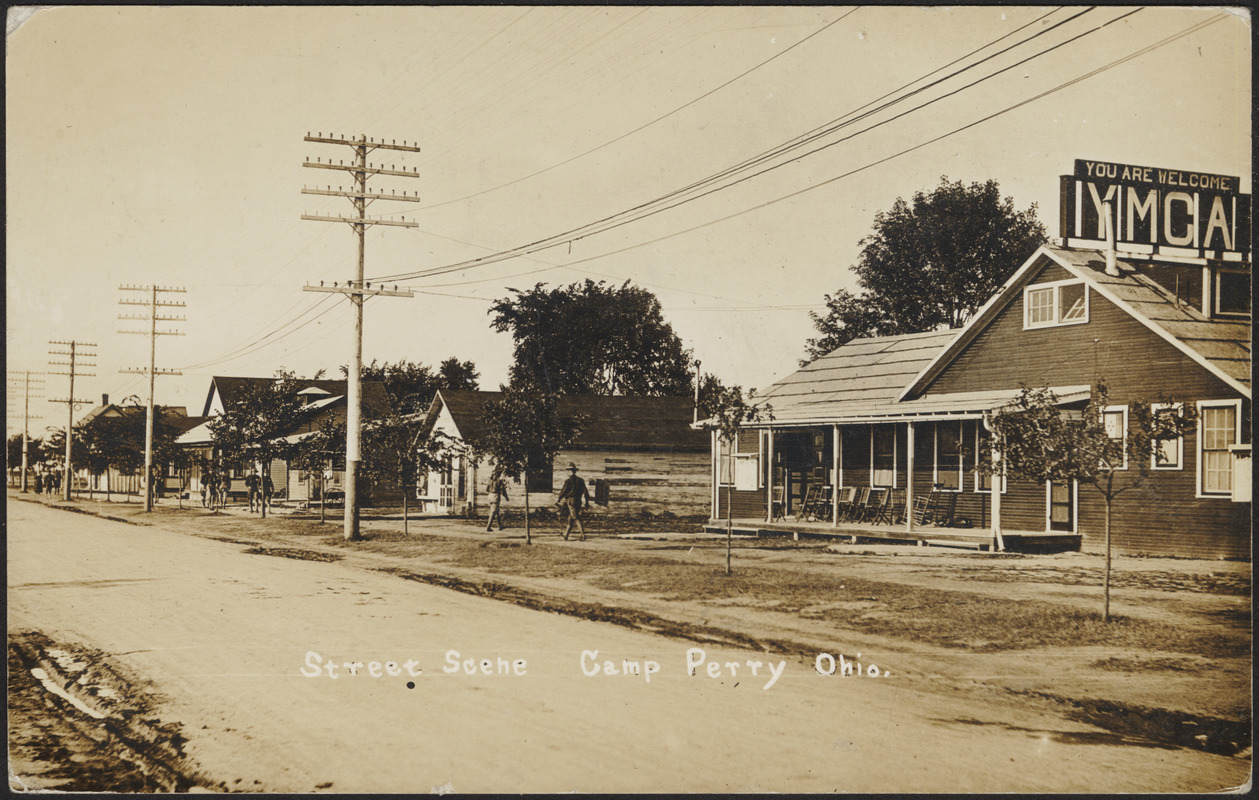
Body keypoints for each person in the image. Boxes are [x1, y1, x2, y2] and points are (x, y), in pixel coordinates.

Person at [556, 462, 589, 541]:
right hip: (578, 501)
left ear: (571, 471)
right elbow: (586, 492)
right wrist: (586, 502)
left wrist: (559, 499)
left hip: (571, 501)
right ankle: (566, 534)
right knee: (571, 517)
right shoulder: (581, 480)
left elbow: (563, 491)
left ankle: (583, 535)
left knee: (575, 517)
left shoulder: (568, 481)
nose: (568, 472)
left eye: (569, 471)